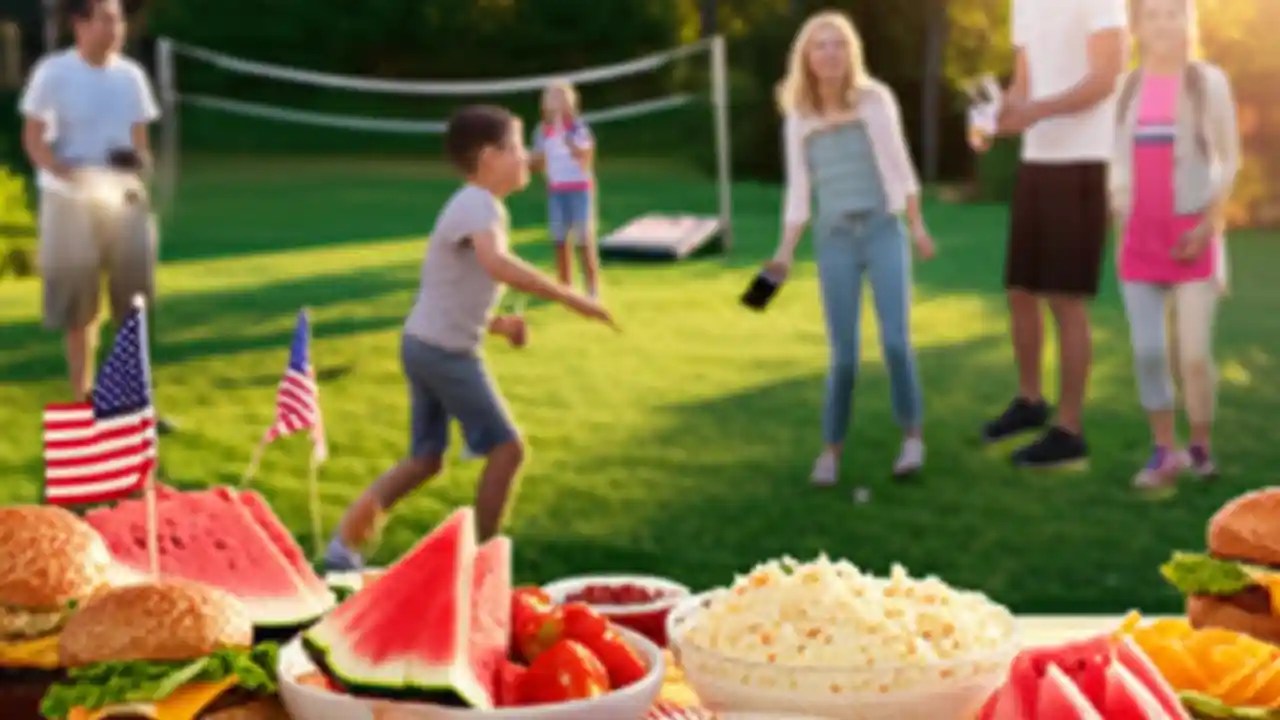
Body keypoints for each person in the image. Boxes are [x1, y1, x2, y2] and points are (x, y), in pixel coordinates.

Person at [324, 105, 615, 570]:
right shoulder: (478, 204)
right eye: (517, 147)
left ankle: (343, 548)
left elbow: (453, 291)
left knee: (425, 459)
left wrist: (499, 325)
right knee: (508, 449)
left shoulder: (477, 205)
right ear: (489, 158)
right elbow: (496, 264)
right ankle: (481, 563)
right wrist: (569, 296)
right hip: (444, 353)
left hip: (423, 344)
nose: (528, 156)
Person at [766, 11, 937, 486]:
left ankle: (913, 439)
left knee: (896, 343)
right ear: (806, 56)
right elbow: (799, 192)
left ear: (851, 52)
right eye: (820, 45)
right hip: (834, 239)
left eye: (838, 44)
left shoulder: (874, 99)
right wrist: (784, 252)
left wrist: (917, 225)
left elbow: (900, 166)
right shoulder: (799, 117)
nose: (830, 53)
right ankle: (830, 452)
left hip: (882, 230)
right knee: (843, 356)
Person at [978, 0, 1128, 467]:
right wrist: (996, 115)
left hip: (1084, 161)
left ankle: (1069, 429)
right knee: (1020, 290)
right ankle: (1030, 402)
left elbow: (1106, 78)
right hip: (1036, 162)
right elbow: (1024, 86)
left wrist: (1039, 110)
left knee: (1065, 298)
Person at [19, 0, 173, 429]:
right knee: (80, 306)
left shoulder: (131, 76)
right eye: (105, 19)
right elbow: (33, 138)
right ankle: (84, 399)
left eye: (118, 19)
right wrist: (60, 170)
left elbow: (140, 142)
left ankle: (135, 401)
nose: (115, 27)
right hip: (70, 199)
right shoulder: (53, 73)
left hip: (123, 198)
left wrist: (139, 163)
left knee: (134, 303)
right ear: (80, 24)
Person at [1112, 0, 1239, 489]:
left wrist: (1209, 224)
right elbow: (1118, 164)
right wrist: (1119, 218)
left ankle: (1200, 445)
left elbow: (1228, 159)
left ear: (1188, 21)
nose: (1164, 23)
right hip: (1139, 240)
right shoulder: (1127, 88)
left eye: (1173, 12)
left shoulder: (1209, 83)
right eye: (1153, 15)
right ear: (1139, 27)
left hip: (1193, 236)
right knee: (1148, 352)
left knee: (1193, 355)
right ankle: (1164, 451)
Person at [530, 80, 601, 298]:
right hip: (556, 191)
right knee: (559, 239)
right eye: (552, 99)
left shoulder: (578, 129)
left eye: (561, 99)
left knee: (584, 239)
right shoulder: (542, 131)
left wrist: (568, 140)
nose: (556, 104)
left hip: (579, 190)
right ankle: (565, 287)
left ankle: (592, 288)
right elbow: (538, 162)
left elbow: (586, 156)